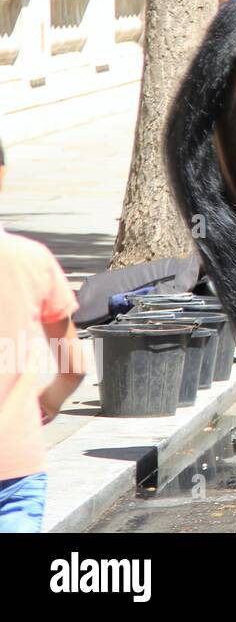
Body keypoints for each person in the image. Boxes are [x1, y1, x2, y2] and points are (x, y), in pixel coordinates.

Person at [0, 140, 87, 532]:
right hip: (15, 465)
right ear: (2, 177)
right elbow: (74, 368)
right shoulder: (32, 259)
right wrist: (48, 401)